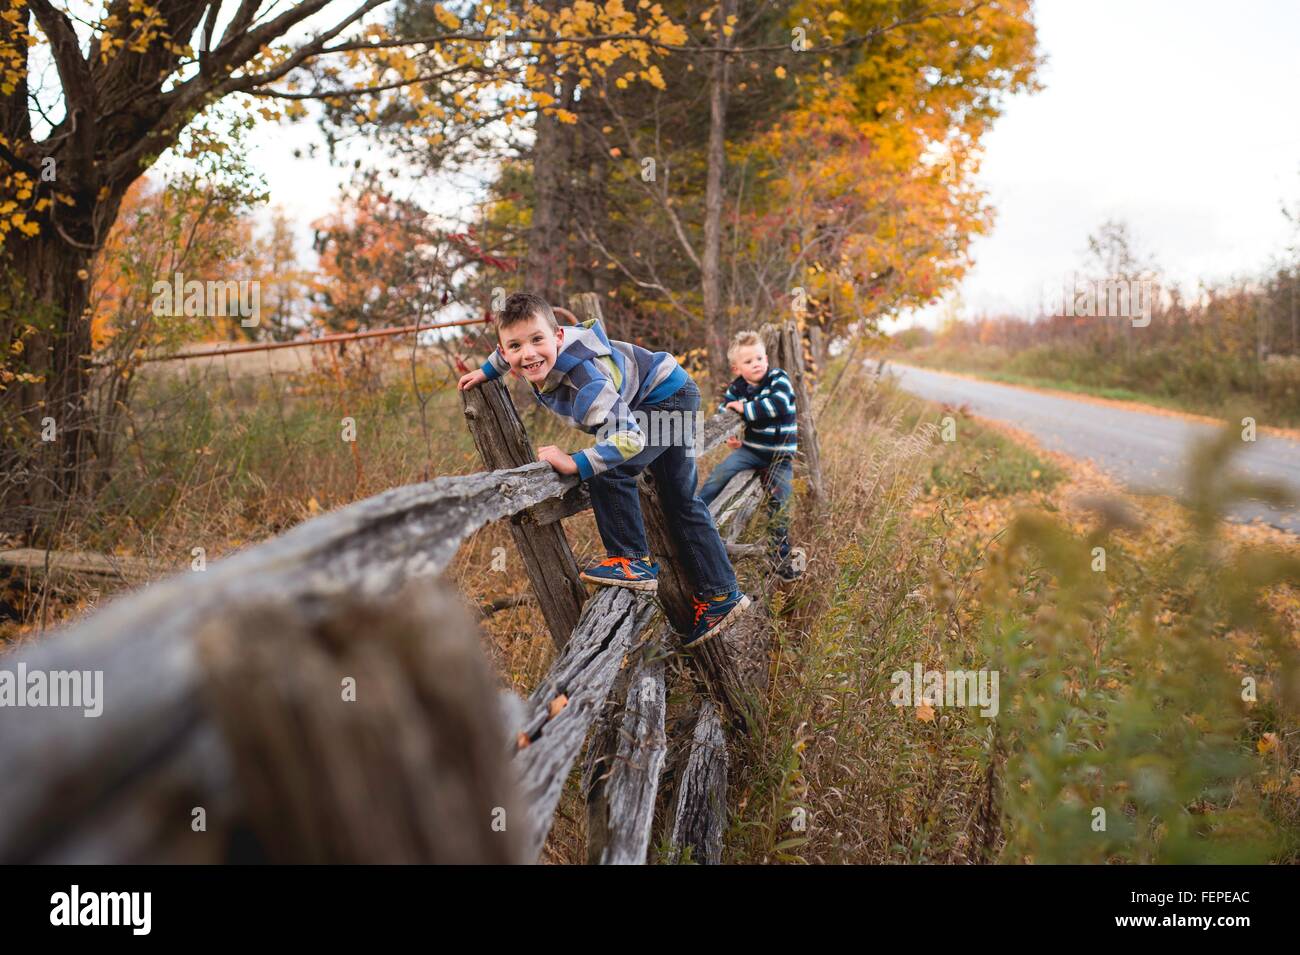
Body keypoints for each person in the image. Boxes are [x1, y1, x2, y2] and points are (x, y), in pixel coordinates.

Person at [458, 292, 751, 647]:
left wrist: (577, 463)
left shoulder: (586, 380)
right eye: (515, 347)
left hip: (663, 399)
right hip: (670, 388)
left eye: (538, 340)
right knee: (680, 499)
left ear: (558, 337)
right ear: (505, 352)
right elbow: (517, 345)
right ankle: (723, 594)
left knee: (608, 470)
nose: (529, 353)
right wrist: (488, 370)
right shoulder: (527, 353)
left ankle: (632, 562)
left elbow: (629, 439)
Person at [697, 330, 802, 581]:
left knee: (781, 503)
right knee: (717, 476)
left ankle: (781, 558)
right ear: (736, 368)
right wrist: (729, 433)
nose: (756, 364)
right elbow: (726, 411)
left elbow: (776, 404)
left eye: (759, 358)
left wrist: (744, 409)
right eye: (748, 361)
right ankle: (694, 517)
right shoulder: (738, 388)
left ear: (766, 358)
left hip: (779, 457)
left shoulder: (778, 379)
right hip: (751, 450)